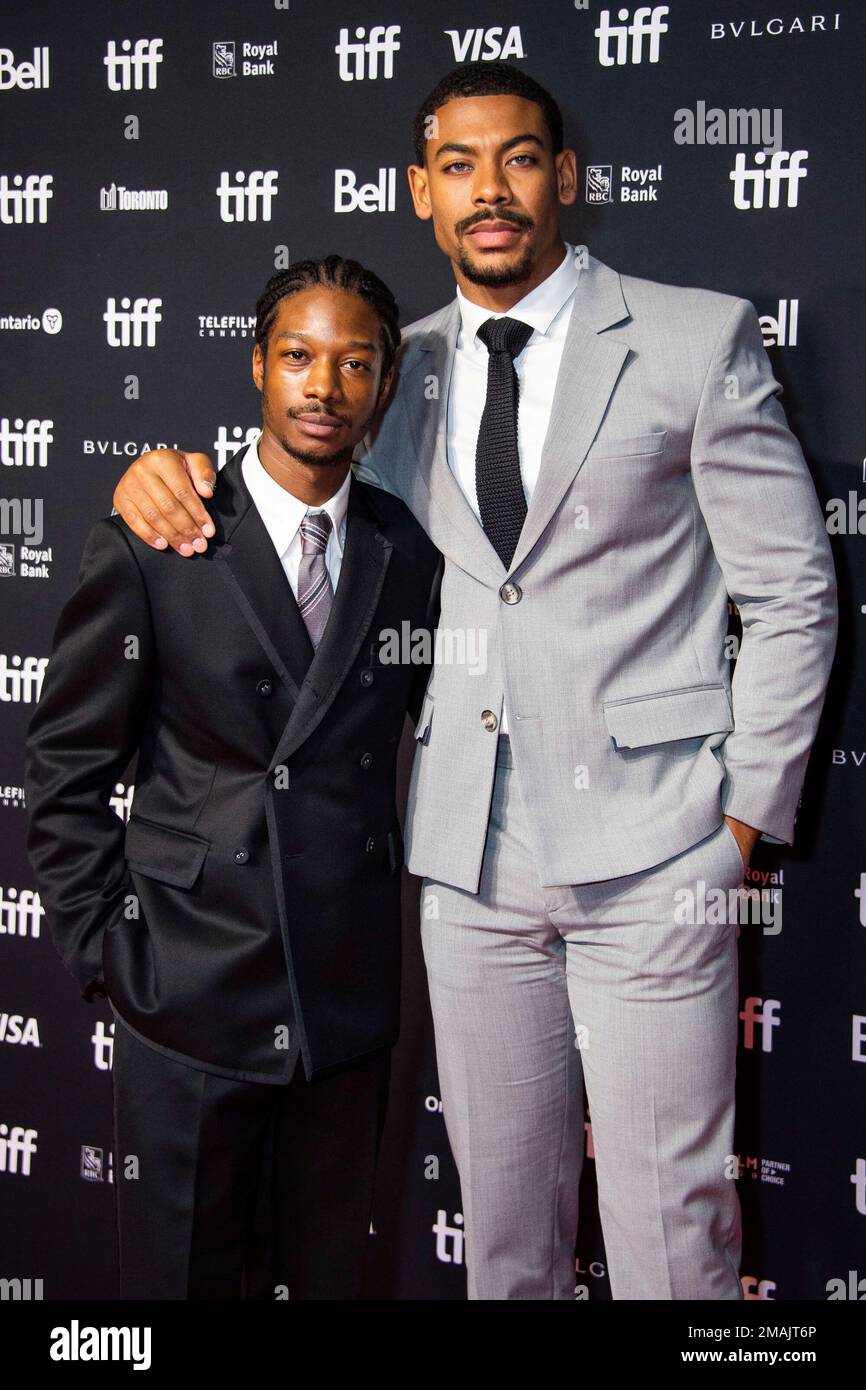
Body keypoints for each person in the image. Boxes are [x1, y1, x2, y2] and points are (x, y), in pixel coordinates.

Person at [108, 64, 838, 1300]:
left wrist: (736, 827)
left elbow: (791, 593)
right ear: (421, 192)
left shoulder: (690, 337)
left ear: (564, 178)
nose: (487, 190)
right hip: (466, 869)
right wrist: (156, 477)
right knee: (503, 1243)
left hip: (658, 855)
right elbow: (283, 477)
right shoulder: (397, 372)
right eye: (456, 164)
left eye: (514, 159)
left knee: (675, 1239)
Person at [24, 256, 442, 1300]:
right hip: (190, 996)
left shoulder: (409, 556)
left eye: (355, 363)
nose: (323, 386)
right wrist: (112, 957)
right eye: (298, 356)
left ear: (384, 387)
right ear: (258, 365)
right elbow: (69, 770)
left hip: (343, 1008)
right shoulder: (159, 535)